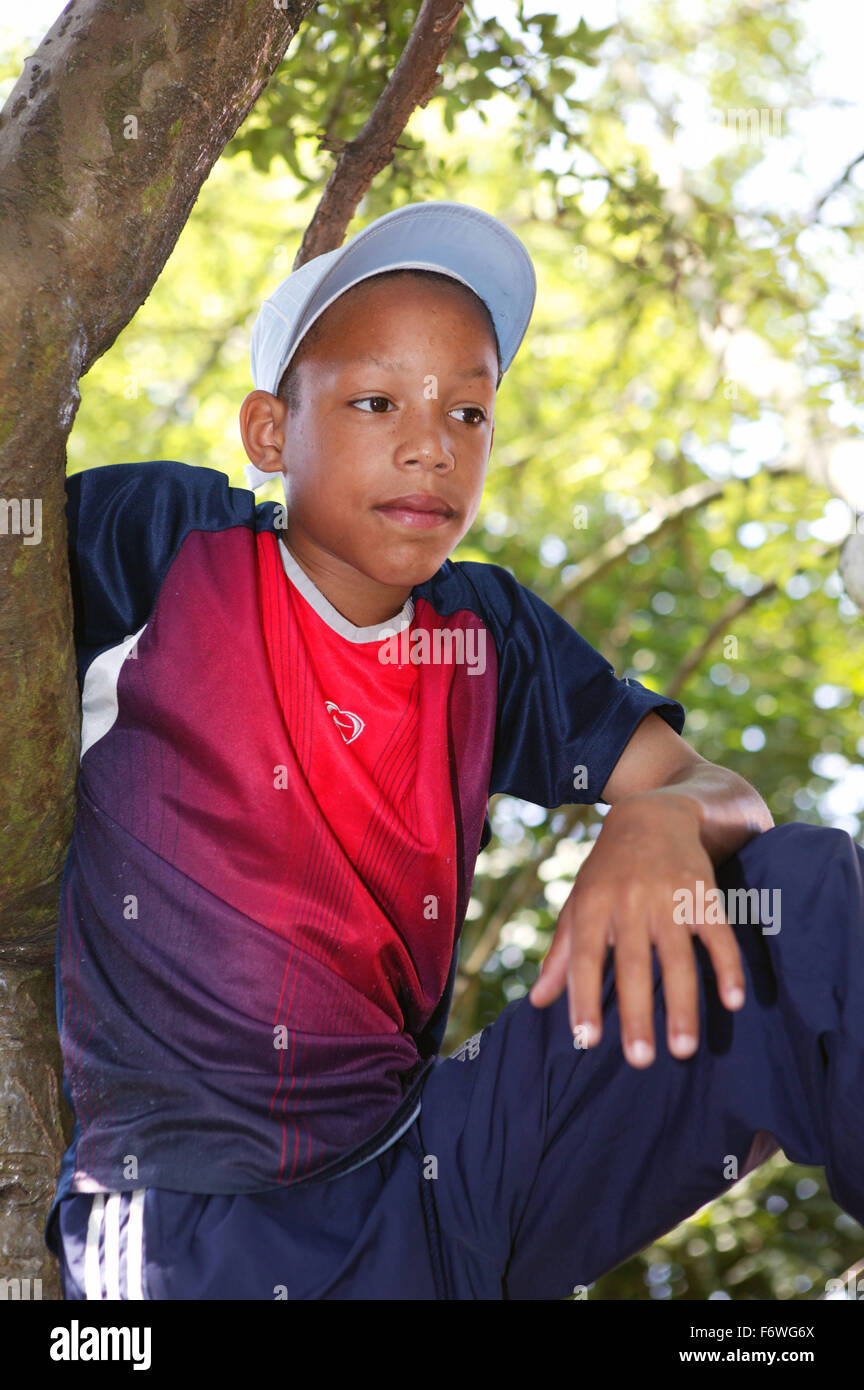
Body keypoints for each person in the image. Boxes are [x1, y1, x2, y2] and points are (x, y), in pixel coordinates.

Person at [46, 200, 864, 1301]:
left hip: (438, 1175)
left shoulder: (488, 635)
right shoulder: (165, 543)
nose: (432, 443)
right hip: (190, 1218)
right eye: (377, 400)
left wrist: (661, 815)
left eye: (470, 412)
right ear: (270, 431)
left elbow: (714, 789)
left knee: (798, 899)